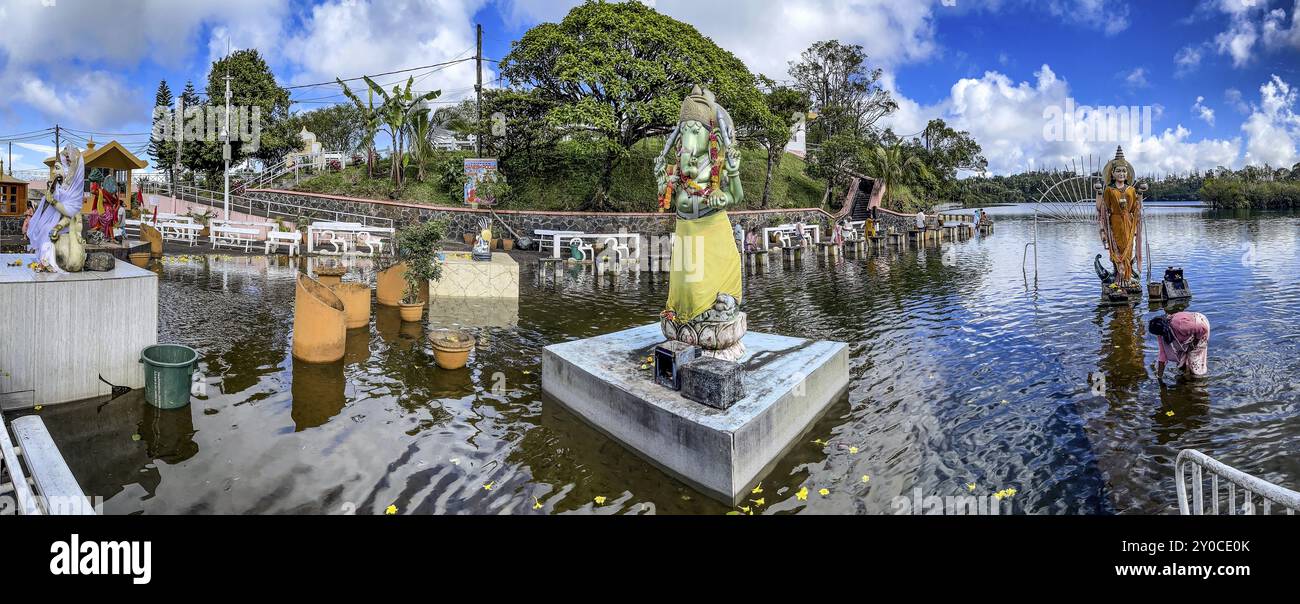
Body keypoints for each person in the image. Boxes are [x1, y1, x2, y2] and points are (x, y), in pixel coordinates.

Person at [1148, 312, 1209, 378]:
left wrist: (1195, 342)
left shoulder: (1180, 325)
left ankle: (1198, 379)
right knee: (1181, 362)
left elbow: (1203, 329)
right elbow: (1162, 354)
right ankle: (1186, 372)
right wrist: (1159, 376)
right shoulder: (1162, 332)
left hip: (1200, 327)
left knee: (1195, 362)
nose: (1159, 336)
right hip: (1187, 333)